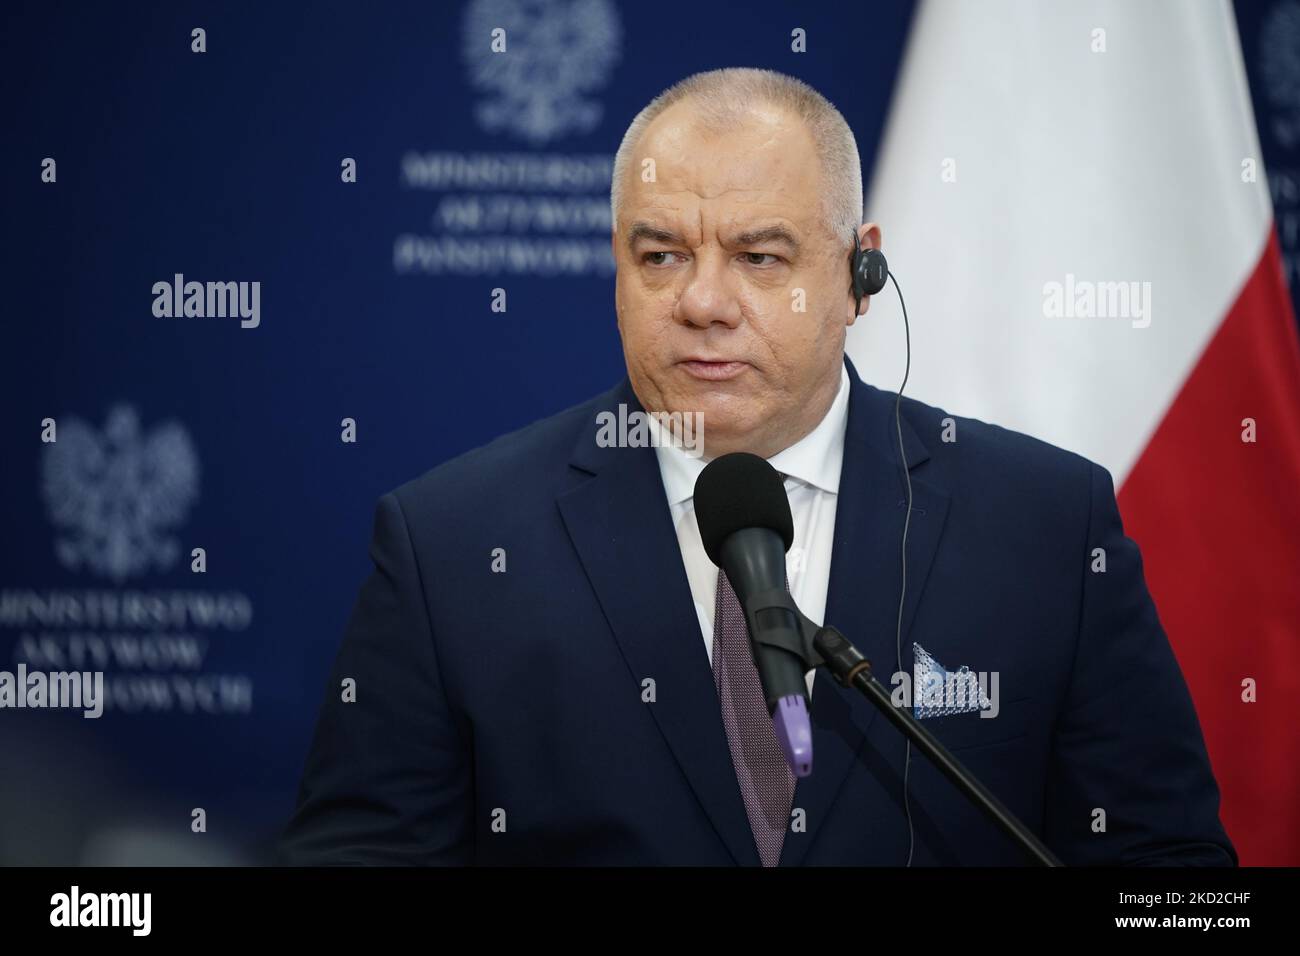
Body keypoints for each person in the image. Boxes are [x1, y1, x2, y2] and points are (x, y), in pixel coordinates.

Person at [279, 68, 1235, 866]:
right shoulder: (453, 544)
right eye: (659, 256)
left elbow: (1173, 880)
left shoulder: (1045, 524)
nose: (702, 301)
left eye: (761, 257)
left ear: (861, 276)